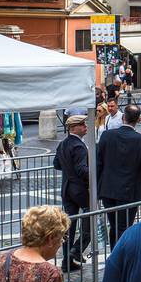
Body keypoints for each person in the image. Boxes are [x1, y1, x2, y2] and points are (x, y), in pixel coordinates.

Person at [96, 104, 141, 248]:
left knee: (114, 225)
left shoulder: (107, 135)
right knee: (124, 227)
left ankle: (114, 255)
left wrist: (97, 189)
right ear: (138, 119)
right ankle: (121, 257)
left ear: (123, 117)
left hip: (108, 189)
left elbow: (98, 162)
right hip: (129, 191)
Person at [52, 114, 92, 271]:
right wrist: (95, 174)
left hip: (67, 189)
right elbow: (82, 170)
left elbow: (56, 164)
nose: (85, 126)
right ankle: (76, 250)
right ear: (73, 128)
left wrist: (68, 170)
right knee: (90, 219)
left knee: (69, 225)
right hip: (81, 190)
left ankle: (66, 263)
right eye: (82, 124)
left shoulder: (63, 144)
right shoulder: (79, 146)